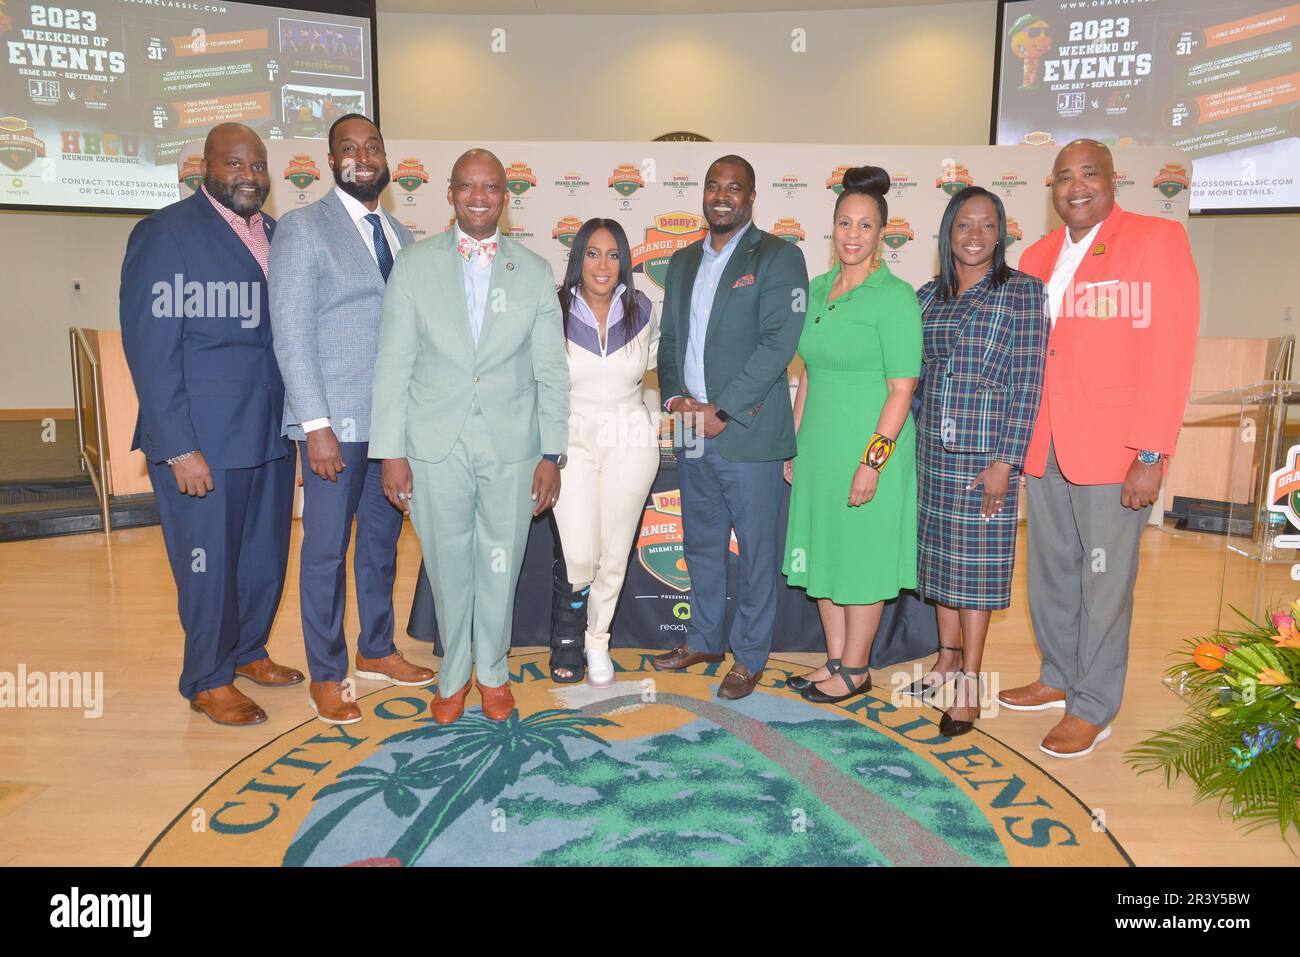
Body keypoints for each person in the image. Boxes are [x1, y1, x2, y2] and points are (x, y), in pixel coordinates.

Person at [998, 139, 1199, 758]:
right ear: (1051, 189)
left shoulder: (1155, 240)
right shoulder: (1034, 255)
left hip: (1116, 447)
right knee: (1051, 572)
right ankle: (1059, 677)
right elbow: (1030, 356)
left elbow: (1170, 352)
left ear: (1114, 180)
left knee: (1104, 579)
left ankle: (1094, 705)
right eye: (1063, 177)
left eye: (1088, 174)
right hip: (1047, 442)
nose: (1075, 186)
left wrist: (1150, 452)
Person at [369, 148, 569, 725]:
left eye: (490, 187)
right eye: (466, 186)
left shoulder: (532, 271)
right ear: (450, 195)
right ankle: (454, 673)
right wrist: (391, 452)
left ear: (505, 197)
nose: (478, 197)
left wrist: (551, 452)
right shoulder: (413, 265)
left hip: (513, 447)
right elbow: (393, 363)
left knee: (499, 566)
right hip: (434, 446)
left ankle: (494, 674)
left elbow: (551, 370)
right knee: (448, 564)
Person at [119, 123, 301, 727]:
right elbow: (151, 350)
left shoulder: (275, 234)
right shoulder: (165, 234)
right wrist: (177, 447)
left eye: (257, 164)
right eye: (234, 163)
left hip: (272, 431)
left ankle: (247, 651)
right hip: (204, 440)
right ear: (205, 167)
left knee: (263, 558)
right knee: (207, 563)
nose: (248, 175)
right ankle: (206, 677)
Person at [269, 113, 433, 726]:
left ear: (386, 157)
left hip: (390, 427)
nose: (362, 157)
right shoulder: (303, 228)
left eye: (372, 147)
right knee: (325, 553)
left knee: (383, 548)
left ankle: (378, 648)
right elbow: (290, 332)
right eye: (348, 148)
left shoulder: (403, 236)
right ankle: (329, 673)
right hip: (331, 427)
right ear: (330, 159)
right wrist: (314, 424)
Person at [654, 154, 809, 699]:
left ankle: (749, 656)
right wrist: (675, 400)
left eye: (734, 188)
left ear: (751, 197)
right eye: (713, 186)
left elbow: (778, 345)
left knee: (757, 551)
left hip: (747, 431)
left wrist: (721, 411)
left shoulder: (778, 257)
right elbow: (670, 342)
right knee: (701, 544)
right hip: (691, 426)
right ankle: (702, 638)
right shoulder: (680, 262)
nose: (722, 196)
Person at [902, 185, 1047, 736]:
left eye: (988, 225)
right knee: (939, 564)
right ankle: (944, 660)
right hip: (930, 452)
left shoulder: (1024, 293)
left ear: (1003, 232)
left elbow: (1029, 382)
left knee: (977, 574)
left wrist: (1007, 462)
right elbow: (911, 378)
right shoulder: (925, 297)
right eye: (964, 225)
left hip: (986, 458)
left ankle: (970, 680)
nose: (976, 236)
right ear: (948, 232)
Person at [781, 166, 921, 704]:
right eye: (845, 223)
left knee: (861, 556)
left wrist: (873, 461)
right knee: (827, 552)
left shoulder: (895, 297)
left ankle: (858, 670)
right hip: (818, 445)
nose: (853, 235)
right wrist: (793, 442)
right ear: (833, 228)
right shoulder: (816, 290)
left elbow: (902, 389)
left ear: (882, 233)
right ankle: (835, 660)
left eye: (865, 225)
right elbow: (810, 372)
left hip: (870, 447)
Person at [549, 219, 659, 686]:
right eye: (593, 253)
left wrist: (661, 420)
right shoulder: (552, 307)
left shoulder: (644, 308)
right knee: (579, 553)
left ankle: (597, 641)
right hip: (571, 436)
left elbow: (657, 368)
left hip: (629, 436)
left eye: (614, 255)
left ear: (625, 263)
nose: (603, 264)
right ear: (578, 258)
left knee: (615, 553)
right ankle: (568, 637)